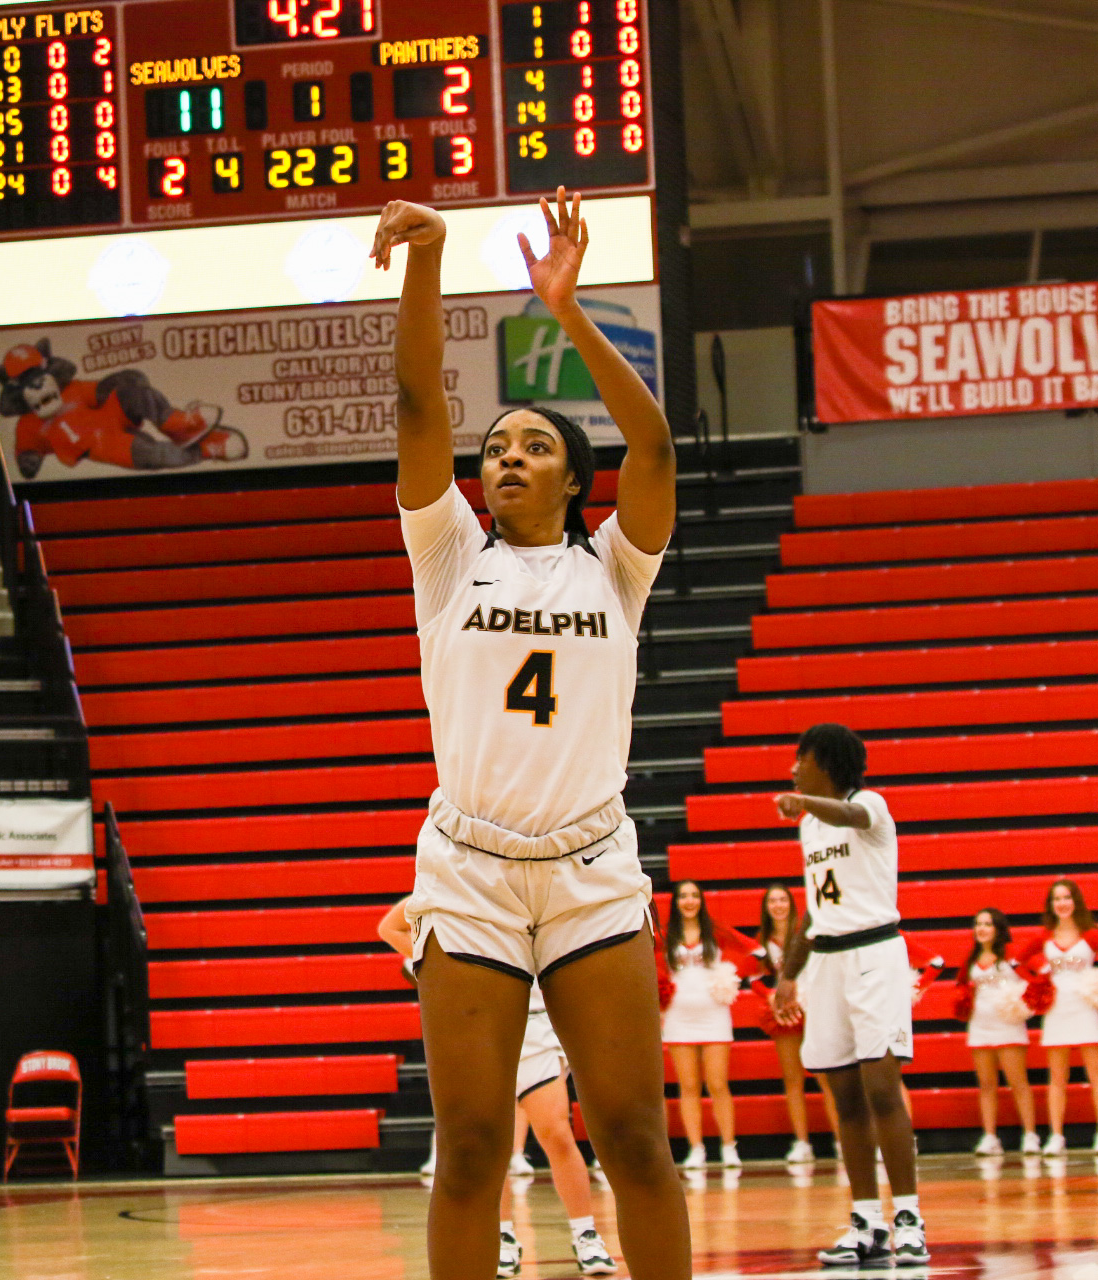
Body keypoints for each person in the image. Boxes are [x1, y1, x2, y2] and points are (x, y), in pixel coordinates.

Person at [374, 189, 689, 1280]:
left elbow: (652, 441)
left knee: (638, 1141)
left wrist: (568, 313)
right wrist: (432, 259)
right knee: (468, 1148)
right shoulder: (451, 556)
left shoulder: (616, 565)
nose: (505, 455)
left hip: (592, 864)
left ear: (571, 477)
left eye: (533, 443)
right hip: (469, 868)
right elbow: (421, 404)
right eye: (496, 445)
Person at [379, 899, 616, 1276]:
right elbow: (389, 928)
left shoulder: (526, 880)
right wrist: (437, 963)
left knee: (556, 1132)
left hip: (537, 1027)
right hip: (484, 1032)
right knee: (495, 1143)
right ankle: (503, 1237)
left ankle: (586, 1233)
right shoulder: (446, 885)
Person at [772, 723, 926, 1266]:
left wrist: (803, 802)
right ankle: (867, 1223)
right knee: (844, 1098)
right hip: (829, 961)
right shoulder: (809, 830)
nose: (793, 768)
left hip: (876, 955)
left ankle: (908, 1215)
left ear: (826, 763)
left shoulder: (870, 805)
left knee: (883, 1088)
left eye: (800, 759)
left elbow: (851, 817)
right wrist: (788, 974)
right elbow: (815, 907)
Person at [656, 882, 755, 1169]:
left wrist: (731, 976)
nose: (689, 901)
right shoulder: (665, 935)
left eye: (694, 896)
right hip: (678, 1017)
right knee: (688, 1086)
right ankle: (696, 1149)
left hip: (714, 1015)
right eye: (684, 896)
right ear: (675, 902)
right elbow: (651, 968)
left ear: (701, 901)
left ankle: (728, 1147)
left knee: (717, 1083)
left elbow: (754, 952)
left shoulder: (717, 930)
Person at [1013, 878, 1098, 1156]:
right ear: (1051, 905)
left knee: (1096, 1073)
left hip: (1085, 1006)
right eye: (1057, 899)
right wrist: (1038, 979)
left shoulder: (1090, 934)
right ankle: (1056, 1136)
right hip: (1056, 1007)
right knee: (1057, 1077)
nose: (1062, 903)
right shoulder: (1044, 937)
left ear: (1075, 901)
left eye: (1067, 897)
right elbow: (1016, 962)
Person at [750, 884, 823, 1164]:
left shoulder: (804, 935)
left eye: (783, 900)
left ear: (792, 905)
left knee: (827, 1077)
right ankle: (802, 1143)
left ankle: (843, 1140)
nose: (778, 905)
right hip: (786, 1011)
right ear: (766, 908)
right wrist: (768, 996)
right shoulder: (762, 940)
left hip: (813, 1006)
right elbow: (751, 977)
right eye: (772, 901)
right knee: (793, 1079)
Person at [956, 909, 1038, 1156]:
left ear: (998, 929)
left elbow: (1032, 983)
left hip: (1009, 1026)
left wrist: (1021, 1004)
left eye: (987, 924)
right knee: (987, 1085)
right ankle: (990, 1137)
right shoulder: (971, 960)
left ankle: (1031, 1135)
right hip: (980, 1027)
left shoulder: (1012, 956)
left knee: (1018, 1083)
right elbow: (961, 986)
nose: (981, 928)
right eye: (978, 924)